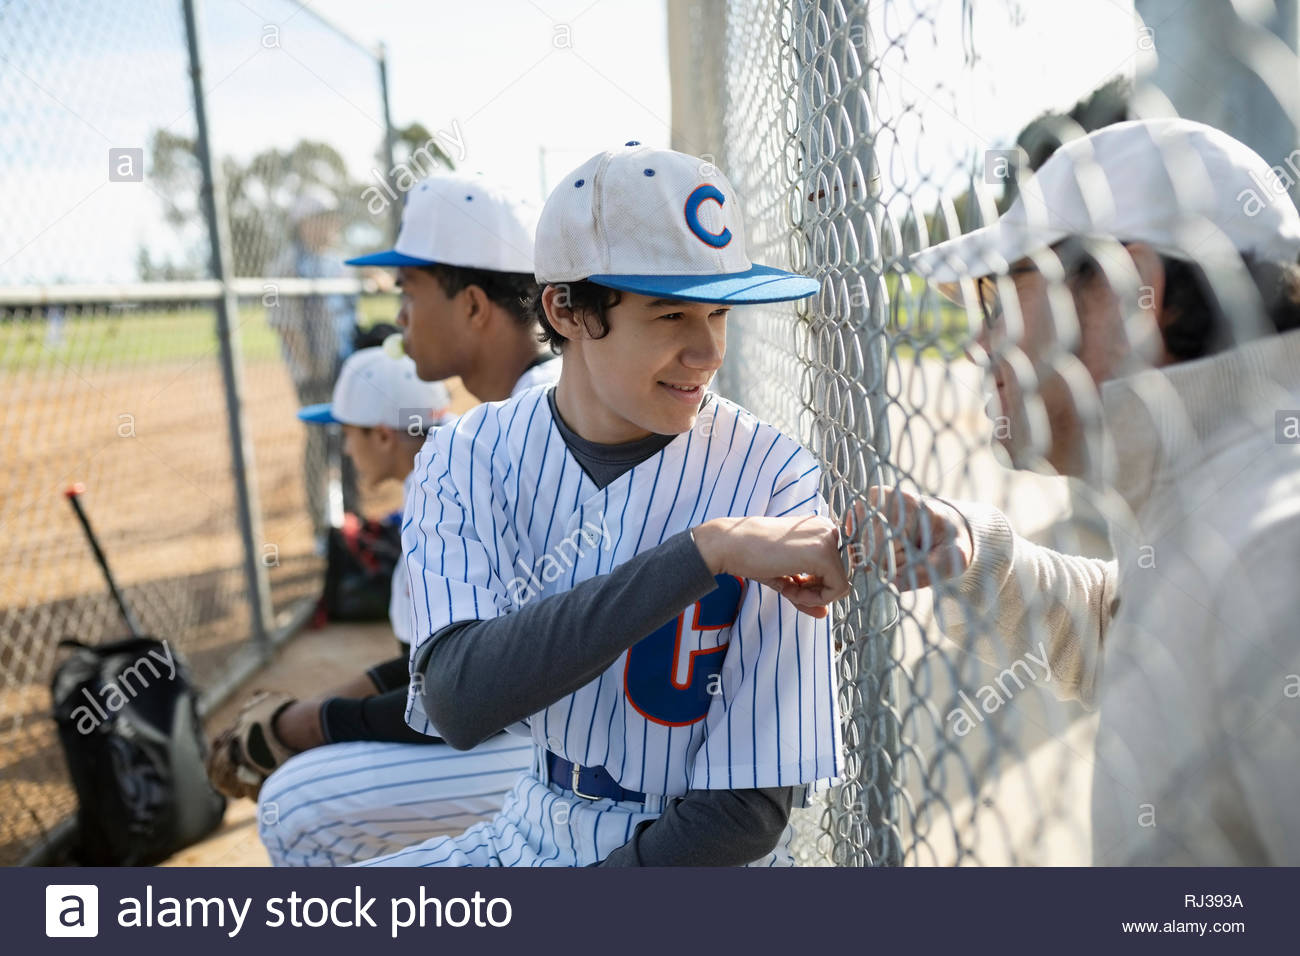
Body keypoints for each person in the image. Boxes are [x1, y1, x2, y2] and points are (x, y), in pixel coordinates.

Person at [356, 144, 850, 868]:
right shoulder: (466, 452)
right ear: (567, 308)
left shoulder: (771, 474)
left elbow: (744, 814)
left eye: (719, 313)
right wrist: (701, 554)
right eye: (670, 313)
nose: (707, 351)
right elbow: (459, 701)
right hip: (531, 818)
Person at [890, 118, 1300, 864]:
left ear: (1131, 294)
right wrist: (981, 561)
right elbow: (1157, 640)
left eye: (997, 296)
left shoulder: (1277, 553)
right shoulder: (1218, 506)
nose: (979, 344)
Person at [247, 173, 562, 866]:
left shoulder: (526, 425)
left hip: (570, 753)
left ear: (475, 305)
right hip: (561, 731)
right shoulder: (534, 407)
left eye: (410, 294)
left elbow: (469, 696)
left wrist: (316, 723)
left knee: (295, 807)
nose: (401, 320)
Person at [268, 187, 362, 540]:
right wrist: (312, 371)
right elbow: (286, 324)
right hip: (314, 375)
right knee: (319, 443)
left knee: (351, 439)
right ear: (305, 224)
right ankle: (321, 525)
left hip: (344, 367)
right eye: (323, 218)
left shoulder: (336, 261)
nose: (332, 224)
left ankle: (353, 515)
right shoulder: (289, 264)